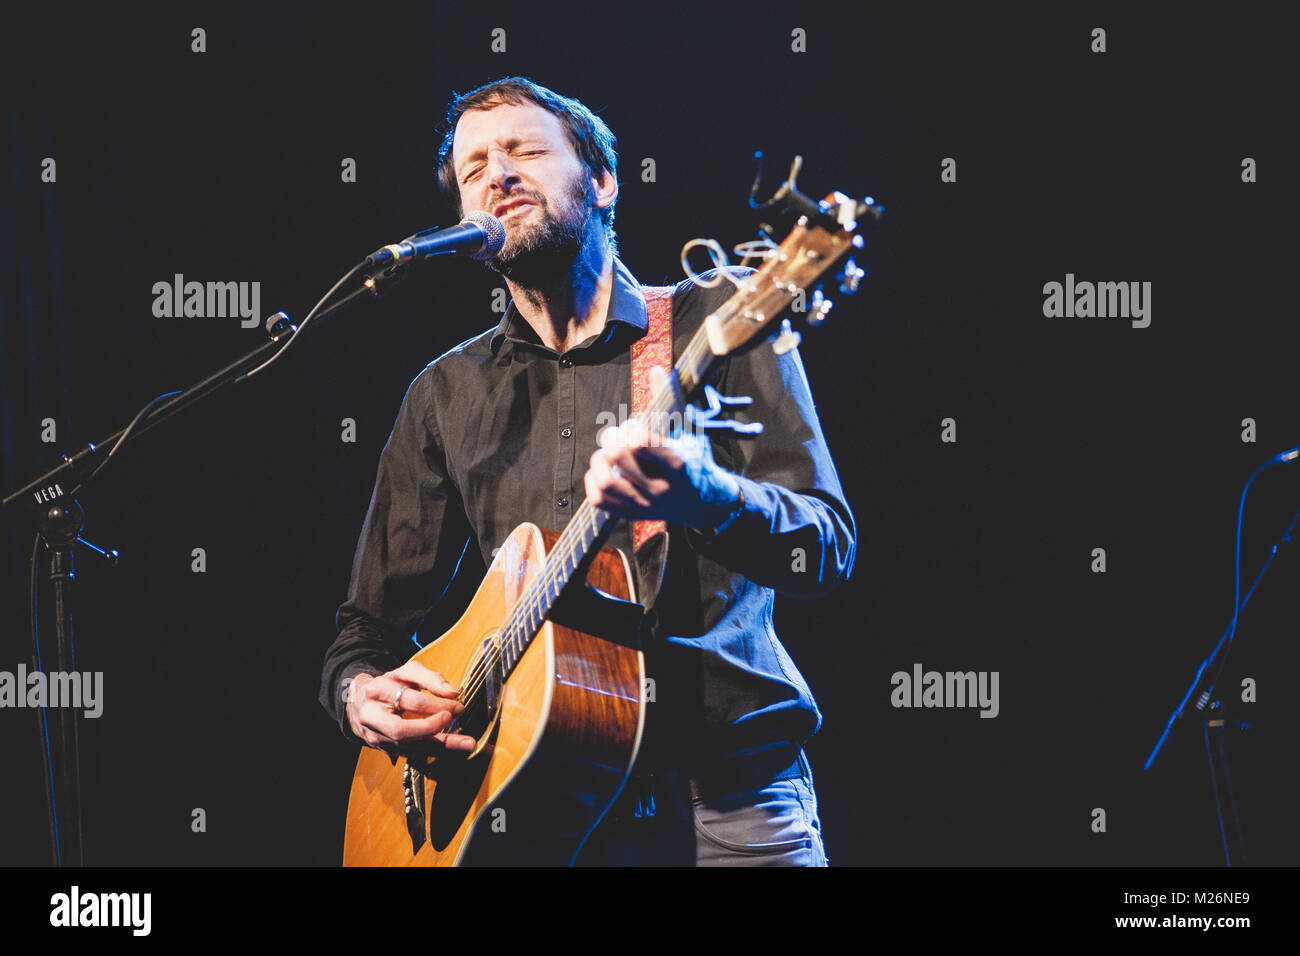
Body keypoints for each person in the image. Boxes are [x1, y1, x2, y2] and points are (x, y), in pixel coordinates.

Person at [318, 76, 855, 865]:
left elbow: (827, 548)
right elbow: (365, 632)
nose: (497, 174)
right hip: (529, 811)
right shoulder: (442, 394)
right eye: (474, 169)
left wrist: (708, 497)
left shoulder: (716, 320)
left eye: (526, 150)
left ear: (602, 181)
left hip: (731, 801)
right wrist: (360, 695)